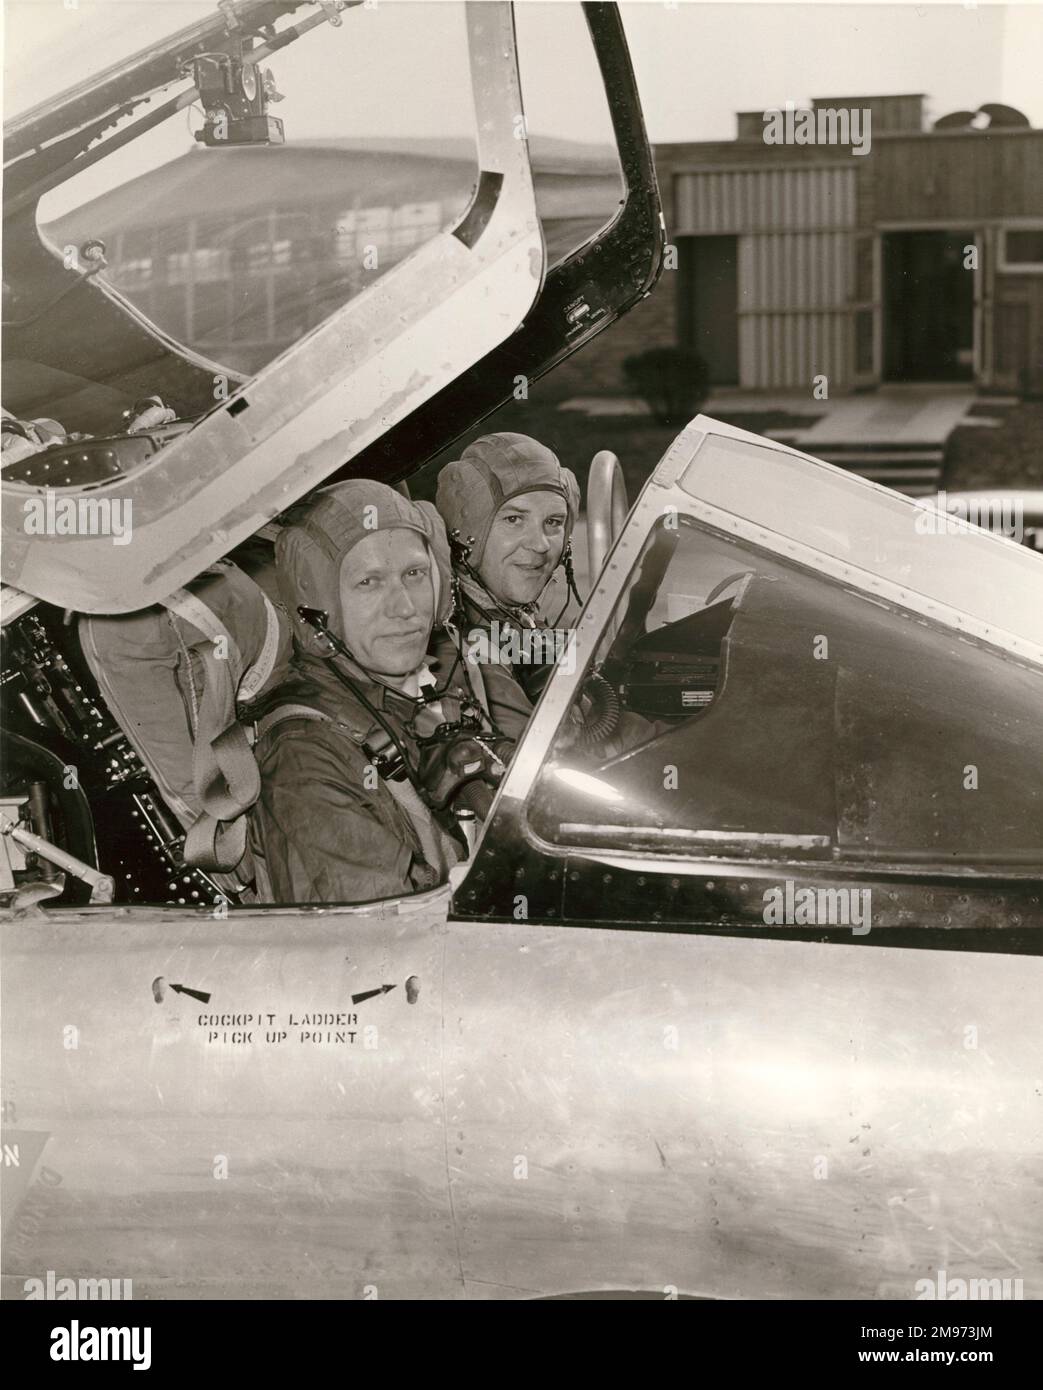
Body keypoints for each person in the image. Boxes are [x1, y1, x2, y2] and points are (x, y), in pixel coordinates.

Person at [248, 479, 529, 905]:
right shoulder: (304, 756)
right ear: (318, 607)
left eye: (415, 574)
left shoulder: (431, 692)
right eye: (369, 582)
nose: (405, 607)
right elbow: (381, 940)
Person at [435, 432, 582, 700]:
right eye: (514, 519)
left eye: (553, 522)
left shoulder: (516, 619)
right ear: (468, 534)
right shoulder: (467, 656)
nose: (540, 545)